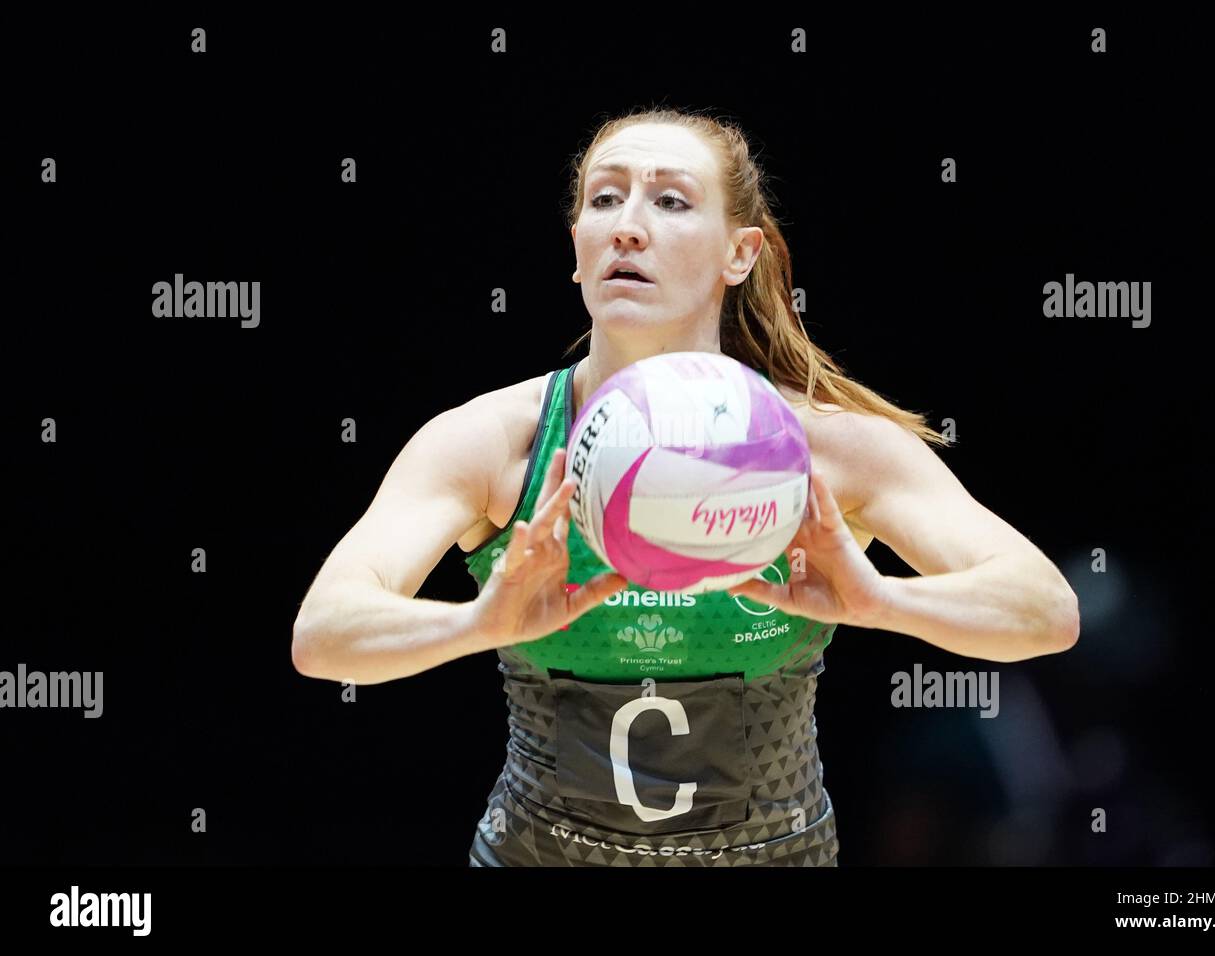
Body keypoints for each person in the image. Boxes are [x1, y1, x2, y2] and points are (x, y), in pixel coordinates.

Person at [290, 107, 1080, 867]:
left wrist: (881, 603)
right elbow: (323, 634)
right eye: (605, 199)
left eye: (670, 200)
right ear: (577, 246)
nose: (628, 224)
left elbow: (1046, 612)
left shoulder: (823, 451)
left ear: (741, 254)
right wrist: (476, 621)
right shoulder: (499, 443)